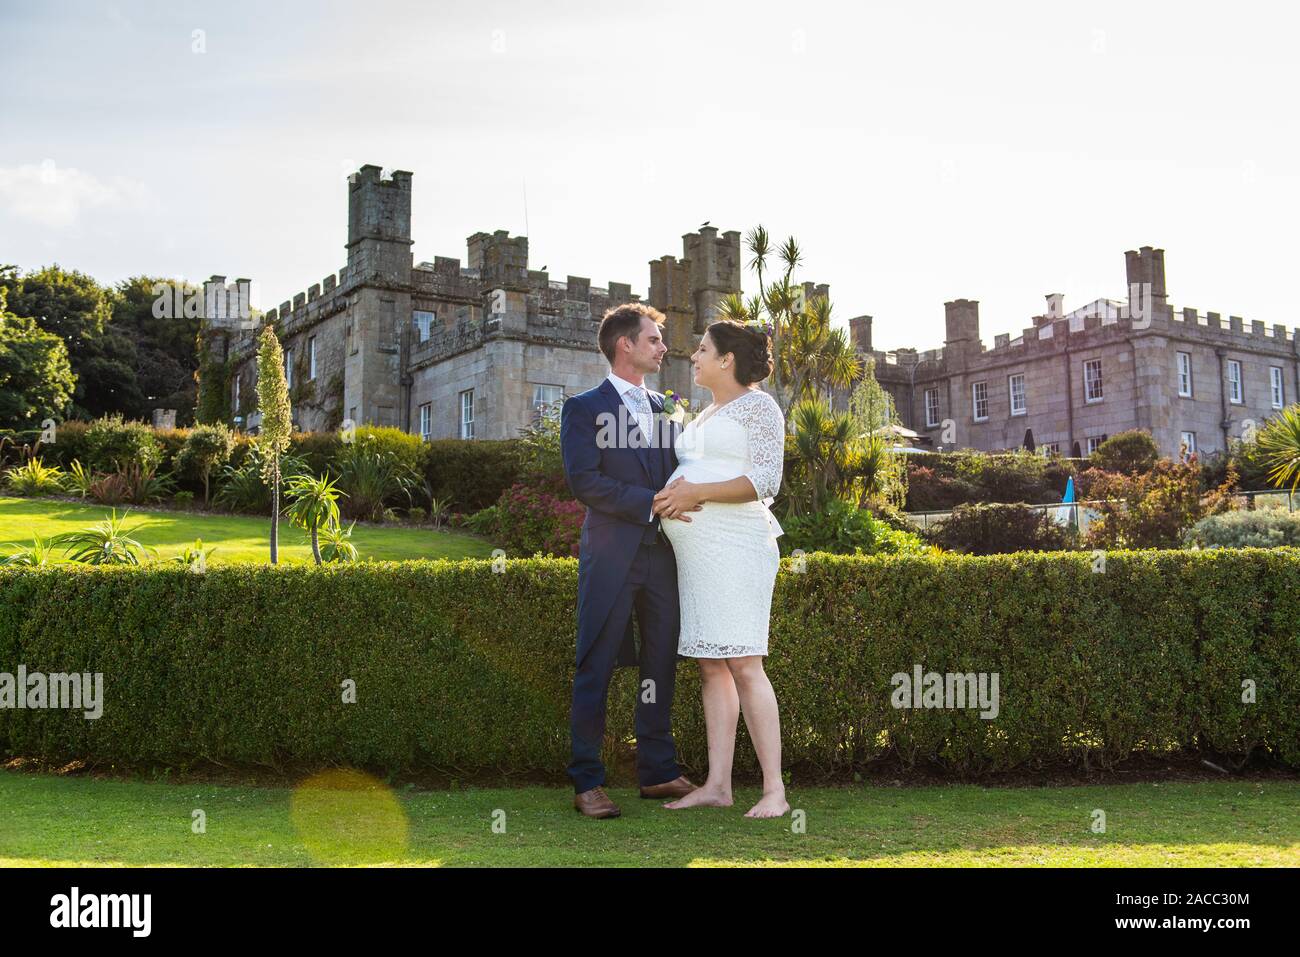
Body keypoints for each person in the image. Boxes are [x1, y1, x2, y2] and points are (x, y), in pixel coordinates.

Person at [559, 303, 699, 819]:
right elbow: (585, 481)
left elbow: (683, 466)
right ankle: (587, 781)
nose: (664, 347)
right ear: (626, 345)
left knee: (660, 662)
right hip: (611, 555)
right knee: (595, 663)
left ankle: (657, 771)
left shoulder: (669, 406)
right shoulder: (583, 408)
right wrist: (650, 503)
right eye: (654, 339)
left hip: (664, 555)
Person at [651, 319, 790, 818]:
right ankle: (717, 785)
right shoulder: (706, 412)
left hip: (738, 547)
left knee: (745, 663)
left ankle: (774, 791)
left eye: (703, 349)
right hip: (698, 557)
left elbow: (766, 479)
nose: (694, 357)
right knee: (711, 664)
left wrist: (696, 493)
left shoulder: (760, 407)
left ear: (727, 359)